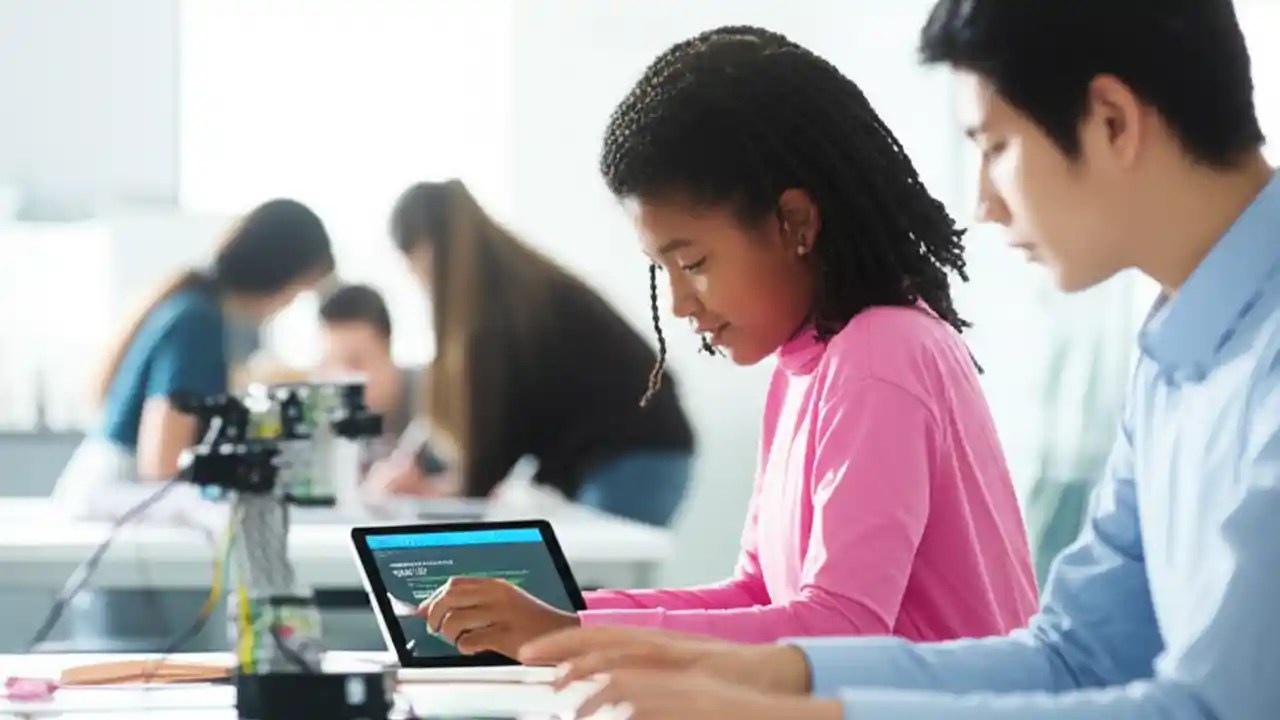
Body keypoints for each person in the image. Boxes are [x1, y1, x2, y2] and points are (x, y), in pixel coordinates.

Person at [520, 3, 1280, 719]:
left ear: (1111, 122)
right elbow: (1075, 658)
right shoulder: (1171, 356)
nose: (983, 203)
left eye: (995, 147)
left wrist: (783, 706)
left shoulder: (886, 350)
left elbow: (1209, 710)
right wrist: (729, 671)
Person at [416, 27, 1037, 660]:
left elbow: (843, 628)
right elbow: (758, 593)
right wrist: (562, 618)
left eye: (693, 263)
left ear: (795, 223)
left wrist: (571, 633)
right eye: (662, 272)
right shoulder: (803, 367)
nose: (679, 304)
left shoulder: (882, 352)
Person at [379, 179, 696, 528]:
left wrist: (445, 494)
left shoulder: (497, 309)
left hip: (634, 455)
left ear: (425, 251)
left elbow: (495, 436)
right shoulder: (522, 285)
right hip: (643, 447)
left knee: (596, 561)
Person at [53, 198, 335, 522]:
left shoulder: (201, 309)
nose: (288, 305)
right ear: (278, 274)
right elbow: (161, 464)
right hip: (114, 496)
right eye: (296, 292)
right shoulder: (198, 323)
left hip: (112, 489)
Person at [318, 283, 424, 462]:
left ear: (388, 348)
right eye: (330, 364)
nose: (343, 380)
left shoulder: (432, 401)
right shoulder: (333, 422)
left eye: (355, 363)